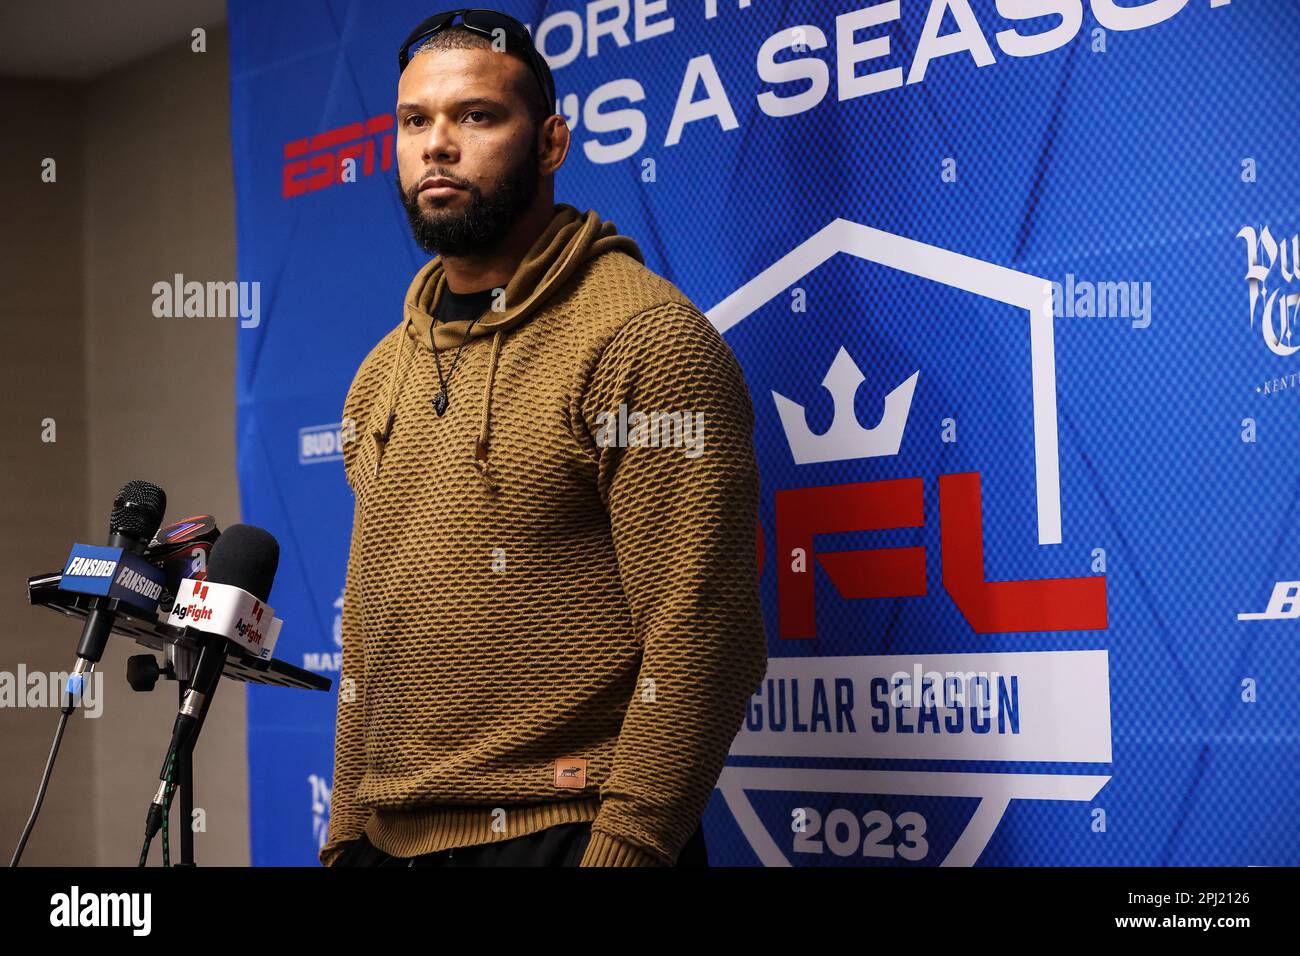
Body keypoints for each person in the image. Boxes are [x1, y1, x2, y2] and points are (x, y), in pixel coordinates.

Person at [321, 8, 767, 868]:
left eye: (477, 116)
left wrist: (626, 850)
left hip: (563, 835)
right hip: (391, 842)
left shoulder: (641, 338)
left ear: (552, 142)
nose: (437, 146)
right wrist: (346, 835)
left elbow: (704, 632)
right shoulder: (382, 373)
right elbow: (372, 629)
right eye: (416, 121)